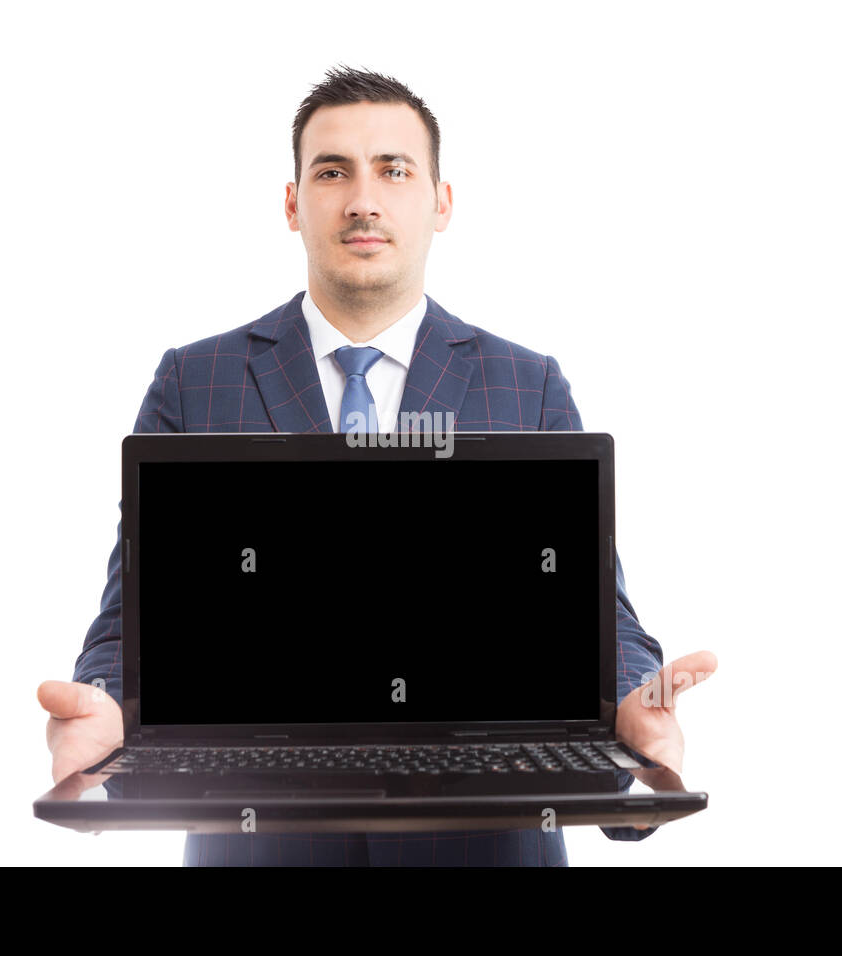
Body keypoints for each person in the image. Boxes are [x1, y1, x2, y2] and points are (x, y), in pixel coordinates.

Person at [37, 65, 716, 866]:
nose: (364, 199)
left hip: (484, 850)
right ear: (292, 203)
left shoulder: (527, 384)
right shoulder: (195, 380)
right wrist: (107, 717)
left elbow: (597, 613)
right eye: (333, 172)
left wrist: (634, 708)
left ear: (441, 202)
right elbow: (132, 619)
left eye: (394, 170)